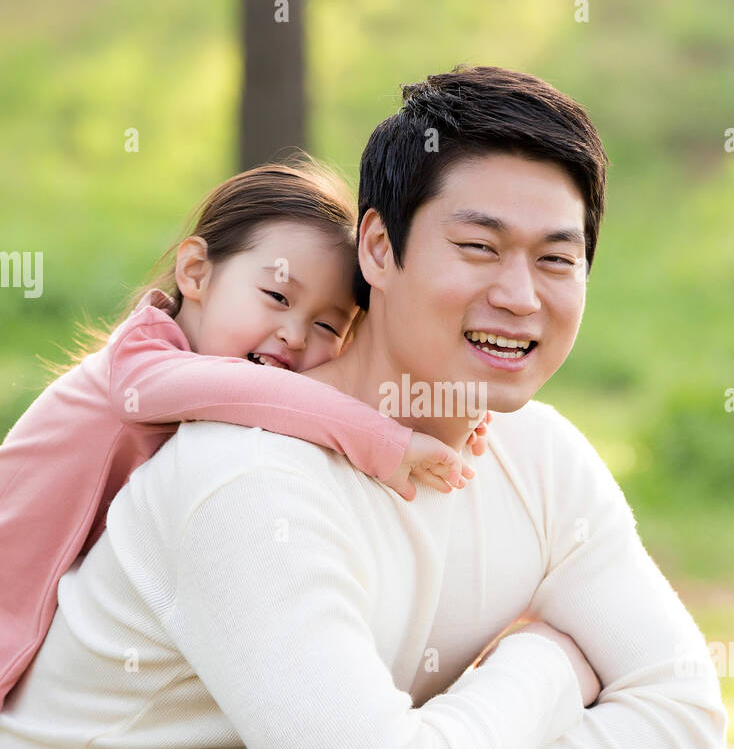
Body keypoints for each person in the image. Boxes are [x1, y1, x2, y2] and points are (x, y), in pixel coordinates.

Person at [0, 65, 727, 749]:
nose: (516, 296)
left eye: (556, 260)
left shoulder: (543, 461)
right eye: (476, 247)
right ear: (376, 248)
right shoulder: (245, 477)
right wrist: (545, 667)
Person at [0, 157, 490, 711]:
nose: (295, 334)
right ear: (195, 273)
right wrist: (384, 441)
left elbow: (302, 396)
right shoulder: (139, 369)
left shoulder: (215, 384)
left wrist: (442, 406)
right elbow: (262, 395)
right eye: (278, 296)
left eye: (329, 324)